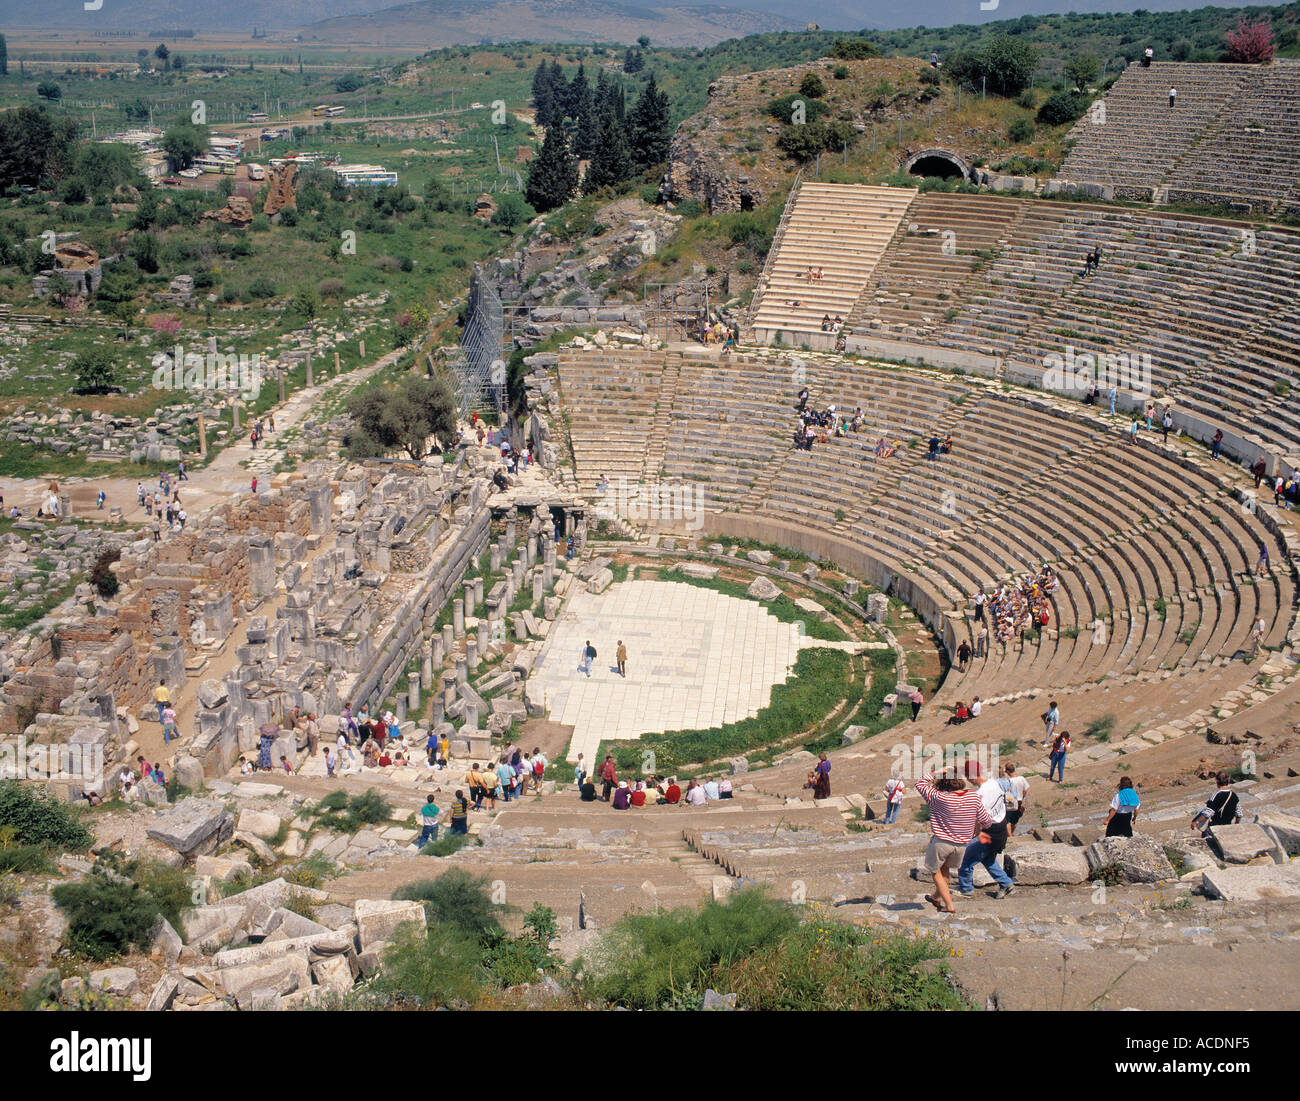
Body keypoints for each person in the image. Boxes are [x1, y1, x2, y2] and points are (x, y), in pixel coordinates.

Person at [916, 771, 996, 914]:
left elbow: (920, 783)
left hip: (941, 842)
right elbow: (987, 821)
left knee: (935, 872)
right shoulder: (973, 796)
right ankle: (936, 897)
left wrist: (937, 772)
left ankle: (949, 906)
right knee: (944, 869)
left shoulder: (938, 797)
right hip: (962, 844)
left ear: (942, 784)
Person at [956, 765, 1015, 899]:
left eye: (967, 776)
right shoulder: (994, 783)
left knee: (964, 860)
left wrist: (972, 835)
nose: (967, 780)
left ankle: (966, 889)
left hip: (989, 833)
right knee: (988, 859)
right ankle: (1006, 883)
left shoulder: (979, 796)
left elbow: (978, 820)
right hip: (1001, 828)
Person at [1002, 764, 1027, 835]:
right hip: (1019, 801)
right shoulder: (1021, 778)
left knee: (1007, 820)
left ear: (1008, 771)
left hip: (1010, 801)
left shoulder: (1008, 781)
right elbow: (1025, 790)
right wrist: (1022, 797)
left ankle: (1010, 836)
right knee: (1014, 820)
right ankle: (1011, 833)